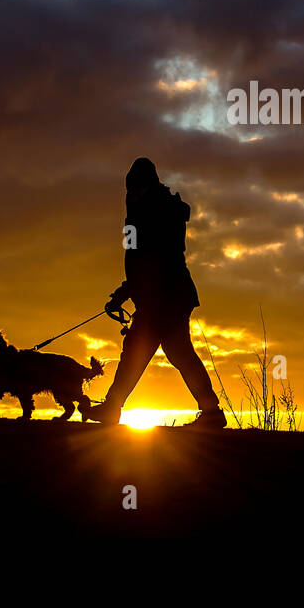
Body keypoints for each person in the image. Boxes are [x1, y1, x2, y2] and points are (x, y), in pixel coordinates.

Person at [86, 158, 226, 429]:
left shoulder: (153, 212)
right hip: (163, 296)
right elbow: (140, 260)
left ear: (144, 186)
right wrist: (126, 290)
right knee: (169, 352)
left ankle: (113, 407)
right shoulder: (146, 211)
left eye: (134, 189)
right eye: (129, 190)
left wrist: (129, 292)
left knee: (148, 351)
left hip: (164, 298)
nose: (130, 194)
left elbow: (155, 260)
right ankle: (210, 412)